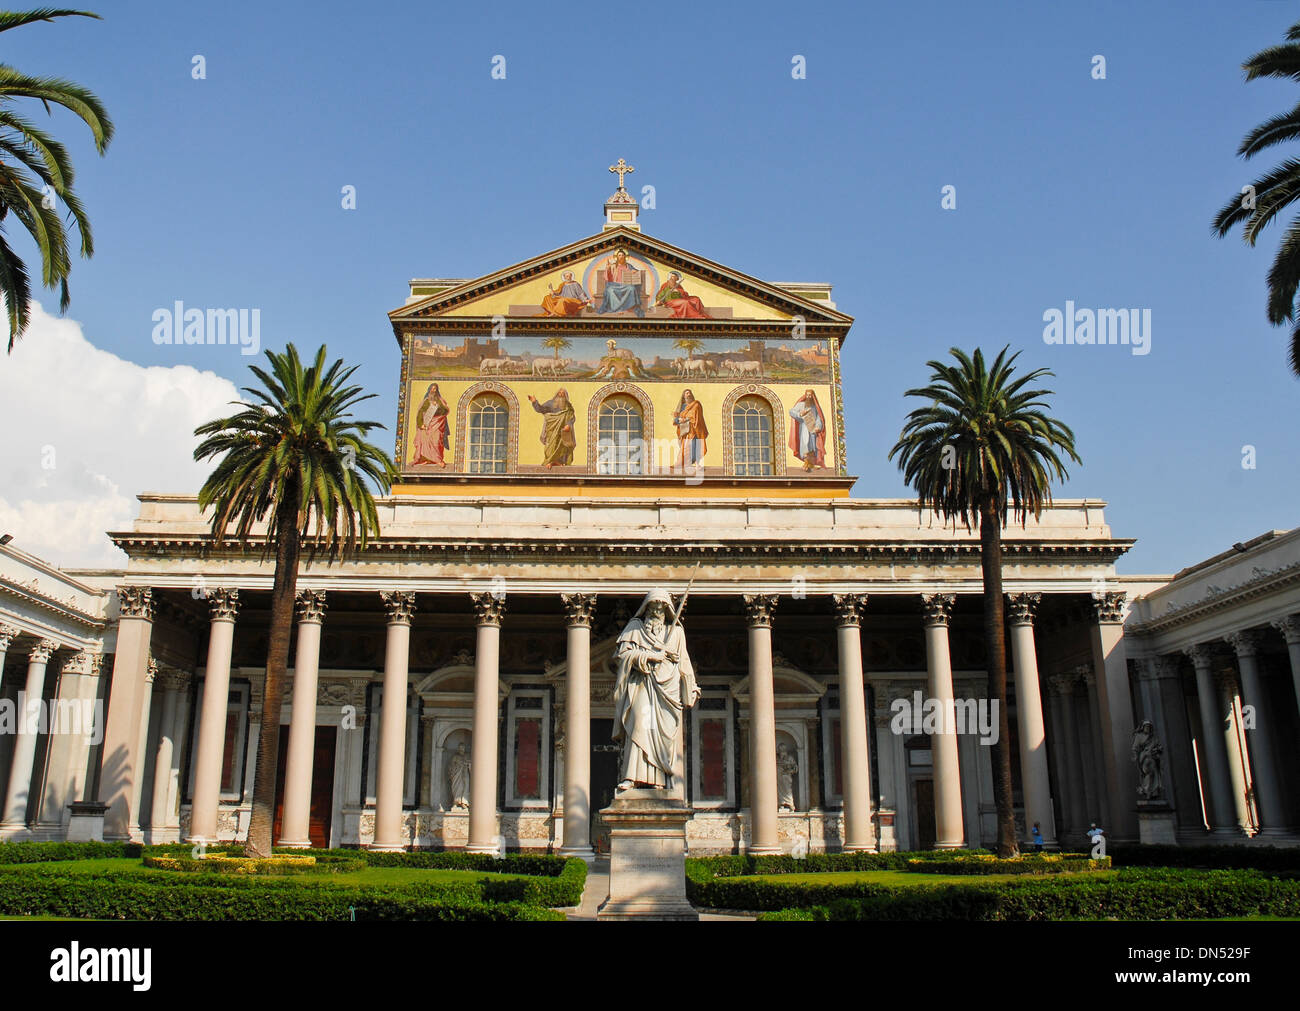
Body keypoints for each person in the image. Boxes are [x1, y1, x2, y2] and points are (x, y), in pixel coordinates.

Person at [612, 589, 699, 792]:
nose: (656, 613)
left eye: (660, 609)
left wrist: (691, 687)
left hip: (666, 689)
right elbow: (621, 655)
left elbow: (684, 662)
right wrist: (650, 657)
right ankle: (631, 777)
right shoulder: (635, 628)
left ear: (666, 610)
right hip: (641, 685)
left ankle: (659, 778)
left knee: (662, 734)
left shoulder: (675, 633)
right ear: (646, 609)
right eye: (652, 608)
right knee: (640, 726)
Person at [527, 388, 576, 467]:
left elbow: (571, 416)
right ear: (556, 394)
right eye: (559, 393)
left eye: (563, 393)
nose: (561, 394)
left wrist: (569, 424)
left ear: (565, 395)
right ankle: (550, 460)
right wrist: (534, 402)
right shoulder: (550, 403)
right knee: (550, 444)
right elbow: (541, 409)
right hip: (551, 428)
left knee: (563, 445)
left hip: (563, 430)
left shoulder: (568, 405)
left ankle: (559, 461)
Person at [594, 248, 645, 317]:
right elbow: (606, 278)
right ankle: (617, 309)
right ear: (617, 257)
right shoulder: (613, 266)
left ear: (625, 257)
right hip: (614, 285)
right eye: (619, 255)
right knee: (610, 290)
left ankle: (628, 308)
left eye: (622, 255)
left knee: (632, 288)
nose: (621, 257)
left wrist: (634, 271)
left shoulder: (628, 266)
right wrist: (608, 269)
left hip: (625, 285)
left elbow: (636, 272)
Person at [411, 383, 450, 467]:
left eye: (435, 389)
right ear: (429, 390)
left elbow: (445, 411)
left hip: (437, 424)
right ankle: (425, 459)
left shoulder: (440, 401)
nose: (433, 390)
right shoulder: (425, 401)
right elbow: (420, 413)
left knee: (436, 440)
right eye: (432, 389)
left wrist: (438, 407)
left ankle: (437, 459)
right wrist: (421, 424)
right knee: (424, 439)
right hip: (426, 425)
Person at [788, 388, 826, 470]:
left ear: (813, 396)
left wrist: (818, 427)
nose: (808, 397)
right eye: (807, 395)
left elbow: (819, 418)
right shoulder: (801, 404)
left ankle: (811, 464)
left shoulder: (815, 407)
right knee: (805, 443)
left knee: (813, 446)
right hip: (804, 427)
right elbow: (791, 411)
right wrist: (800, 413)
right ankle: (806, 463)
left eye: (810, 395)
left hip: (813, 429)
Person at [672, 389, 708, 470]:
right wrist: (679, 420)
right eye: (686, 393)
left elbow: (698, 416)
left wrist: (687, 419)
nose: (688, 395)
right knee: (687, 448)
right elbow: (676, 420)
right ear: (683, 396)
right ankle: (687, 464)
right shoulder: (683, 406)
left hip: (696, 430)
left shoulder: (696, 404)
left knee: (696, 446)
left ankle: (697, 464)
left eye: (689, 393)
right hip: (686, 431)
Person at [447, 742, 470, 809]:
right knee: (458, 787)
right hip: (457, 775)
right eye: (460, 747)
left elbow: (471, 764)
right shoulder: (455, 757)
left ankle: (464, 802)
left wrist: (467, 764)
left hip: (465, 774)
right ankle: (456, 802)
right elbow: (451, 766)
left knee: (466, 787)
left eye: (463, 747)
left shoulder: (467, 756)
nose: (462, 749)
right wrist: (458, 766)